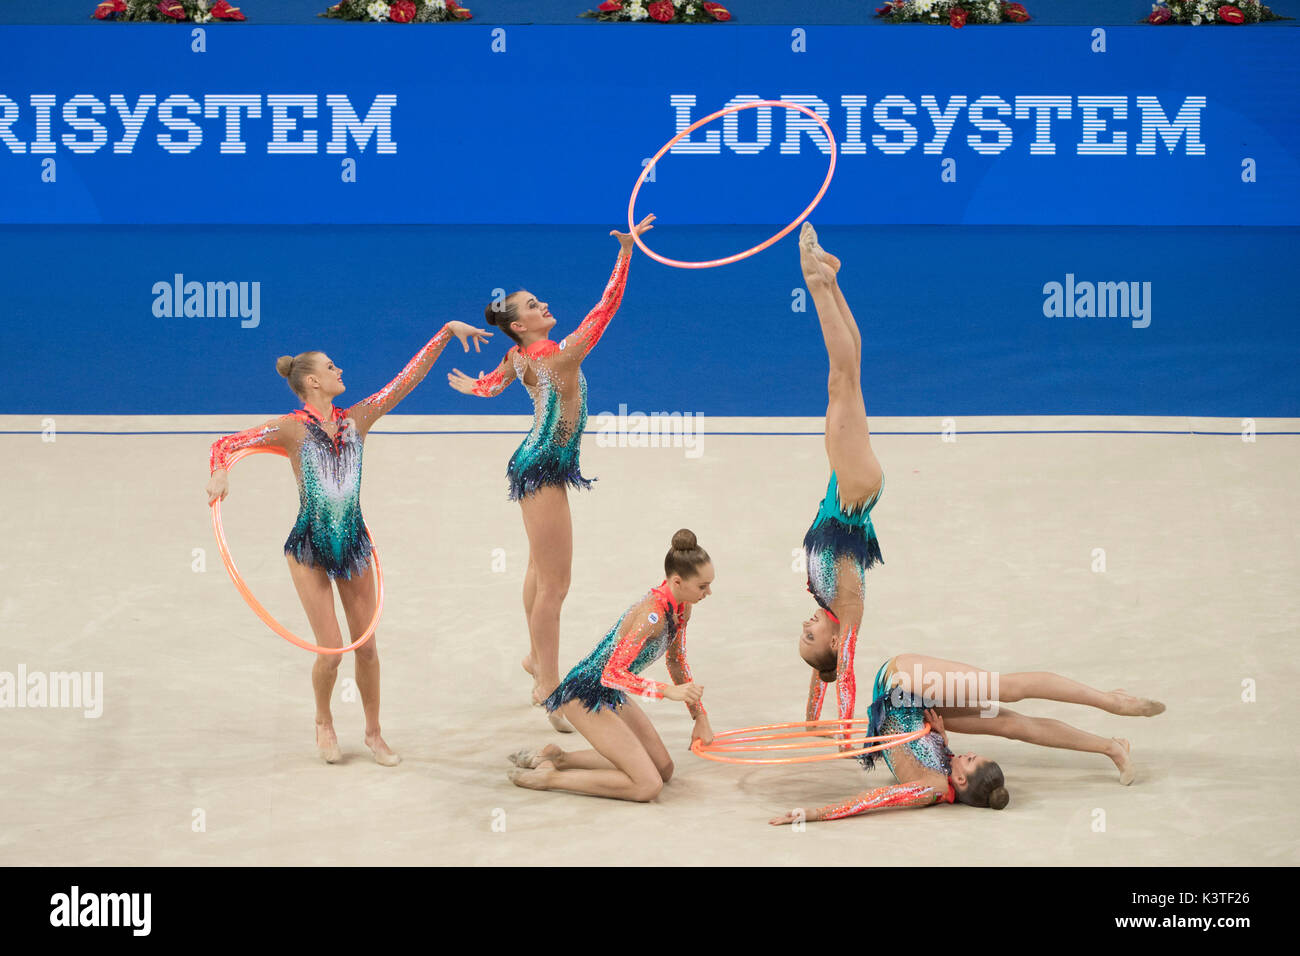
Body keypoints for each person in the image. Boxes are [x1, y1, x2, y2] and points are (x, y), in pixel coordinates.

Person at [206, 321, 490, 765]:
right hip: (309, 548)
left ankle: (374, 733)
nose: (341, 369)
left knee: (368, 647)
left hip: (354, 544)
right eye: (331, 366)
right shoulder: (290, 429)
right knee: (331, 649)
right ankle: (323, 720)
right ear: (313, 381)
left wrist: (447, 332)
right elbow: (227, 443)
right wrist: (221, 471)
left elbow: (406, 381)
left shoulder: (358, 419)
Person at [447, 215, 655, 732]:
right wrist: (626, 254)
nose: (542, 305)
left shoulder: (517, 355)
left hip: (540, 462)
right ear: (520, 324)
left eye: (538, 300)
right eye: (532, 306)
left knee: (540, 572)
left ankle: (537, 660)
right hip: (543, 468)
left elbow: (492, 387)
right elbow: (605, 310)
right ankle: (548, 684)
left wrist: (469, 387)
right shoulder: (556, 358)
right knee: (556, 585)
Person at [770, 652, 1165, 824]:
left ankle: (1112, 711)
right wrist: (940, 739)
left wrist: (811, 813)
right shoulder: (945, 776)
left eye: (971, 761)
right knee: (1012, 722)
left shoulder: (928, 789)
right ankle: (1111, 740)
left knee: (1007, 692)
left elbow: (868, 802)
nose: (970, 754)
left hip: (903, 682)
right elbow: (922, 752)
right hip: (919, 696)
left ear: (961, 782)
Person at [506, 529, 714, 802]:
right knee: (648, 786)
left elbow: (675, 661)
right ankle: (550, 778)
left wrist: (699, 716)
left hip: (609, 691)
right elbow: (613, 671)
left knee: (664, 769)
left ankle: (560, 758)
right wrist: (665, 691)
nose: (708, 592)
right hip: (584, 693)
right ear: (677, 581)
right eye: (702, 586)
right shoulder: (651, 617)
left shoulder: (681, 608)